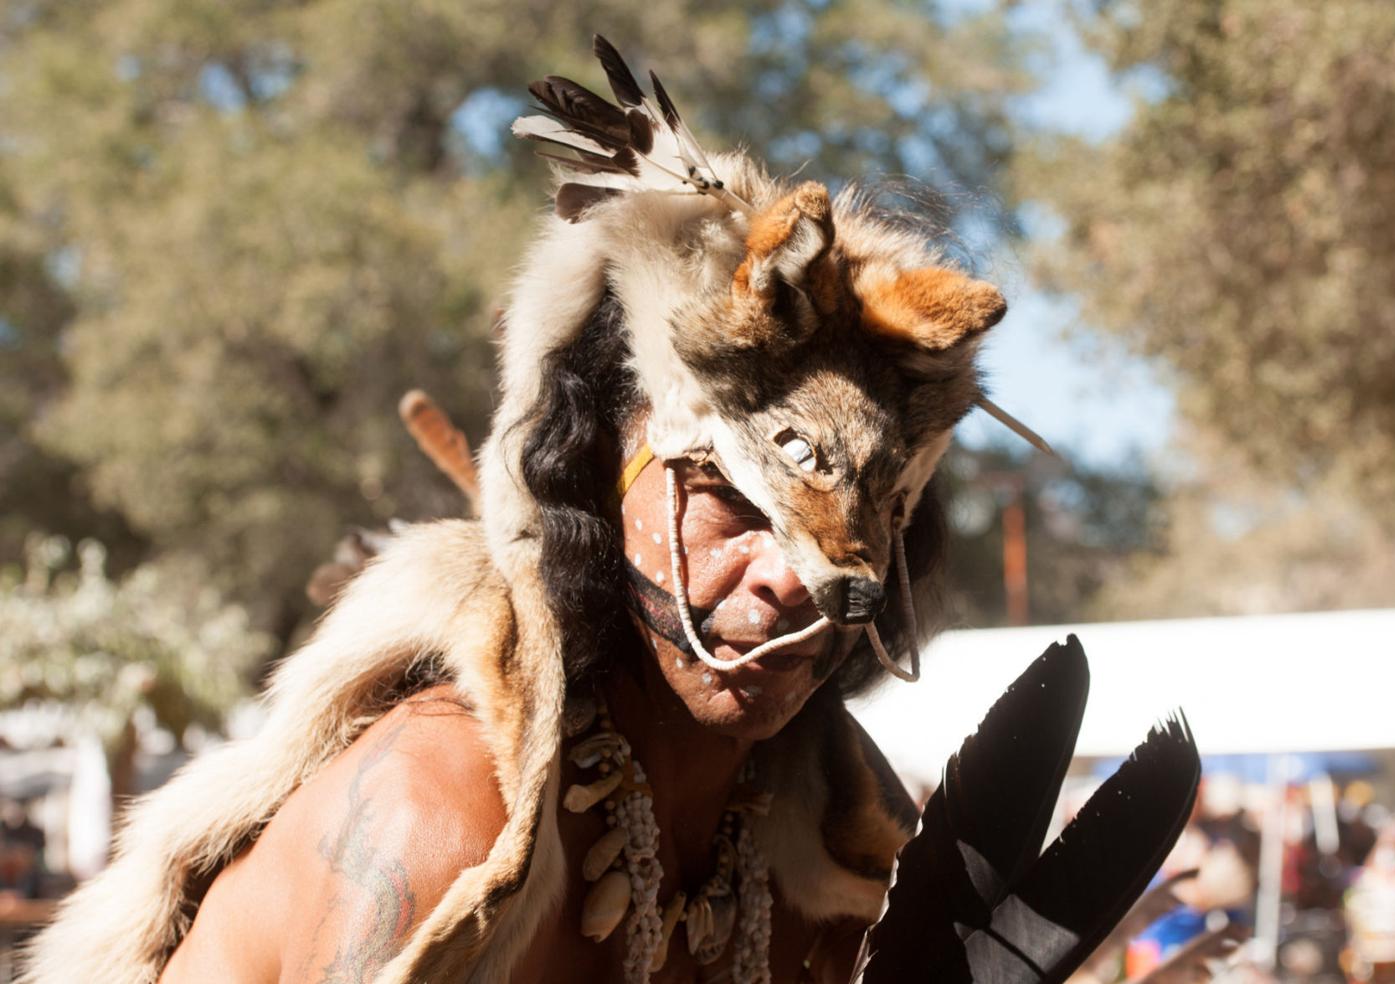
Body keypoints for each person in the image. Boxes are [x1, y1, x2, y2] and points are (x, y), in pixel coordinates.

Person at [22, 38, 1035, 984]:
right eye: (729, 500)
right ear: (600, 477)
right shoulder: (439, 828)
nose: (789, 573)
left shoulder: (839, 848)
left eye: (866, 519)